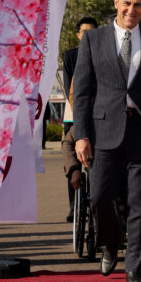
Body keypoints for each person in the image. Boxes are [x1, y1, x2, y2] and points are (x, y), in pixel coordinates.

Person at [73, 0, 141, 282]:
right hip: (104, 132)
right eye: (127, 3)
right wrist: (81, 134)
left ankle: (135, 267)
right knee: (100, 196)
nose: (132, 10)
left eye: (138, 4)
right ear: (116, 2)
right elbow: (83, 92)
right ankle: (111, 243)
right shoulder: (94, 39)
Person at [61, 17, 99, 220]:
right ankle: (74, 206)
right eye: (84, 32)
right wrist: (80, 113)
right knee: (71, 157)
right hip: (74, 113)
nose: (87, 36)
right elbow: (70, 89)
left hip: (97, 113)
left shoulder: (101, 54)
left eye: (92, 32)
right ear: (78, 35)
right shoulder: (71, 56)